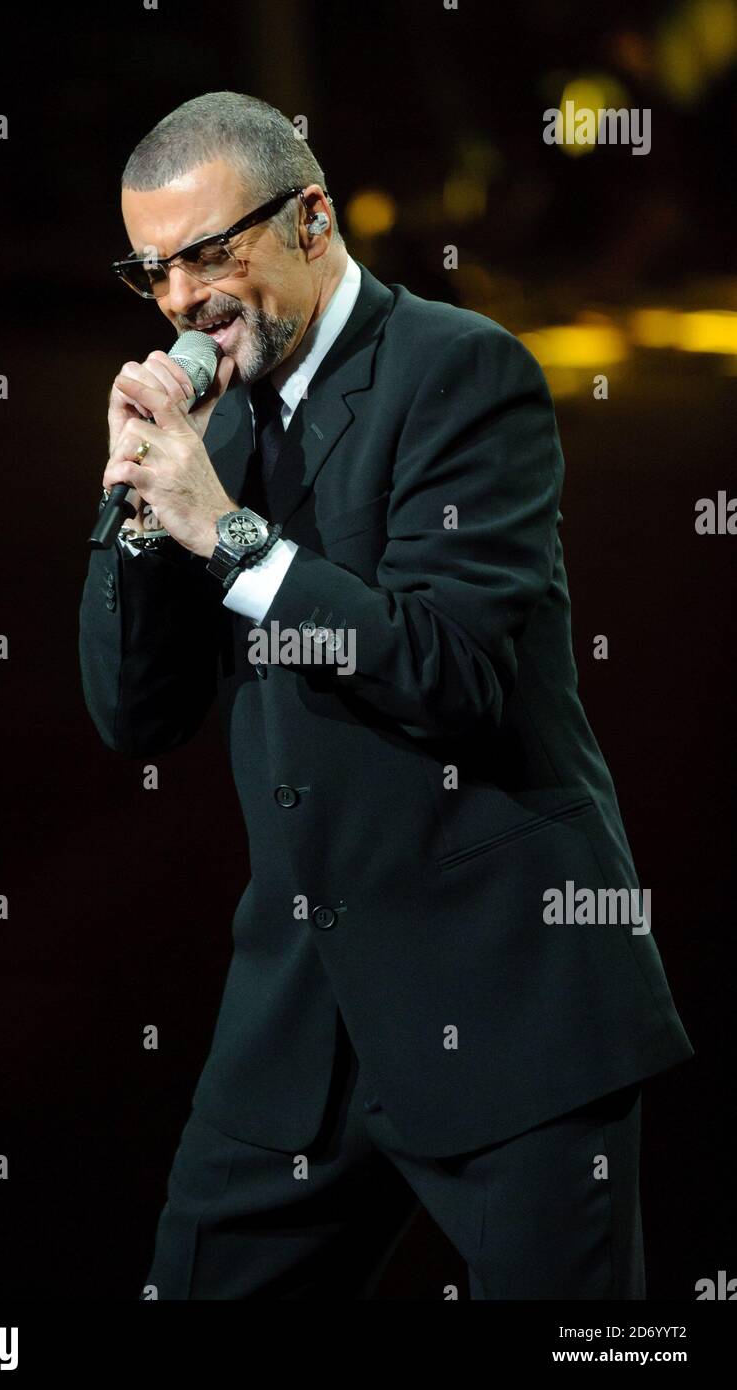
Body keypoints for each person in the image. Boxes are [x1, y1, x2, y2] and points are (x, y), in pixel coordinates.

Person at [78, 91, 694, 1300]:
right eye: (152, 271)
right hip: (298, 1034)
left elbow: (454, 673)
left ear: (312, 217)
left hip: (510, 1004)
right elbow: (132, 717)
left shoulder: (464, 373)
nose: (180, 300)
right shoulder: (216, 425)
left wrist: (231, 536)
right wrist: (141, 518)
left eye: (210, 254)